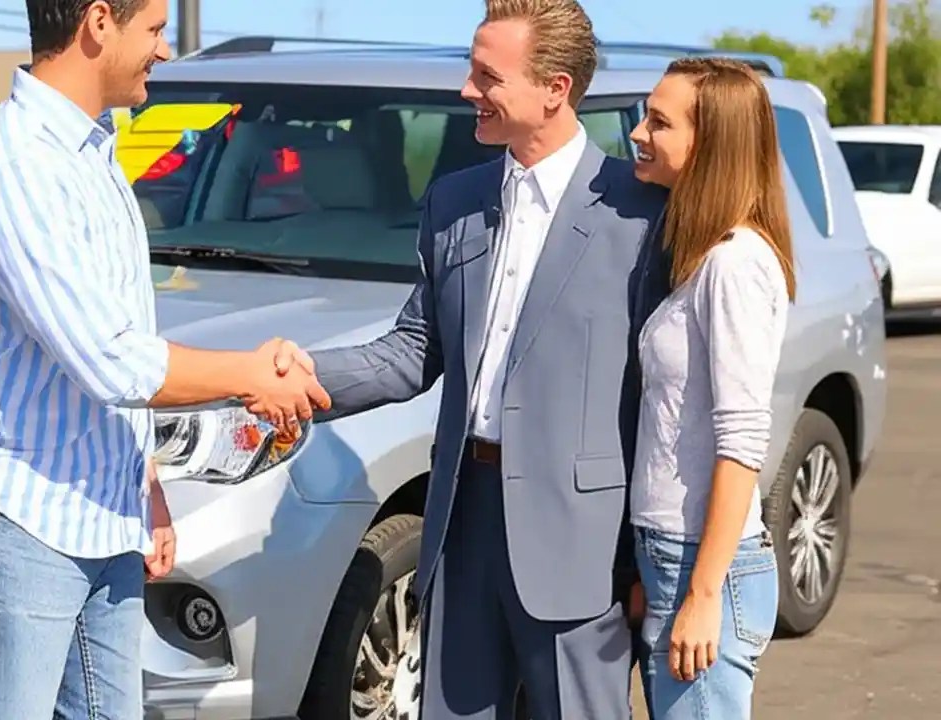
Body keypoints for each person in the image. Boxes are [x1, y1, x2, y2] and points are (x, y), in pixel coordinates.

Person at [0, 1, 330, 718]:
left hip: (102, 511)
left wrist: (143, 481)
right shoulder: (21, 165)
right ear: (99, 22)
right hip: (23, 519)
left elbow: (115, 328)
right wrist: (249, 377)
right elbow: (112, 359)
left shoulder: (91, 150)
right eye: (153, 29)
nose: (165, 50)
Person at [275, 0, 669, 717]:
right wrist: (299, 375)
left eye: (487, 75)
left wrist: (652, 559)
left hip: (581, 546)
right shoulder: (454, 201)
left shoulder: (640, 215)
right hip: (462, 525)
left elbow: (662, 403)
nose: (466, 91)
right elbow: (412, 351)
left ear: (554, 88)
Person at [627, 57, 793, 719]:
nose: (639, 132)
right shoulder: (701, 258)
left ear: (711, 145)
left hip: (703, 564)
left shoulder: (735, 265)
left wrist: (700, 592)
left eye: (660, 122)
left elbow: (742, 440)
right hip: (672, 555)